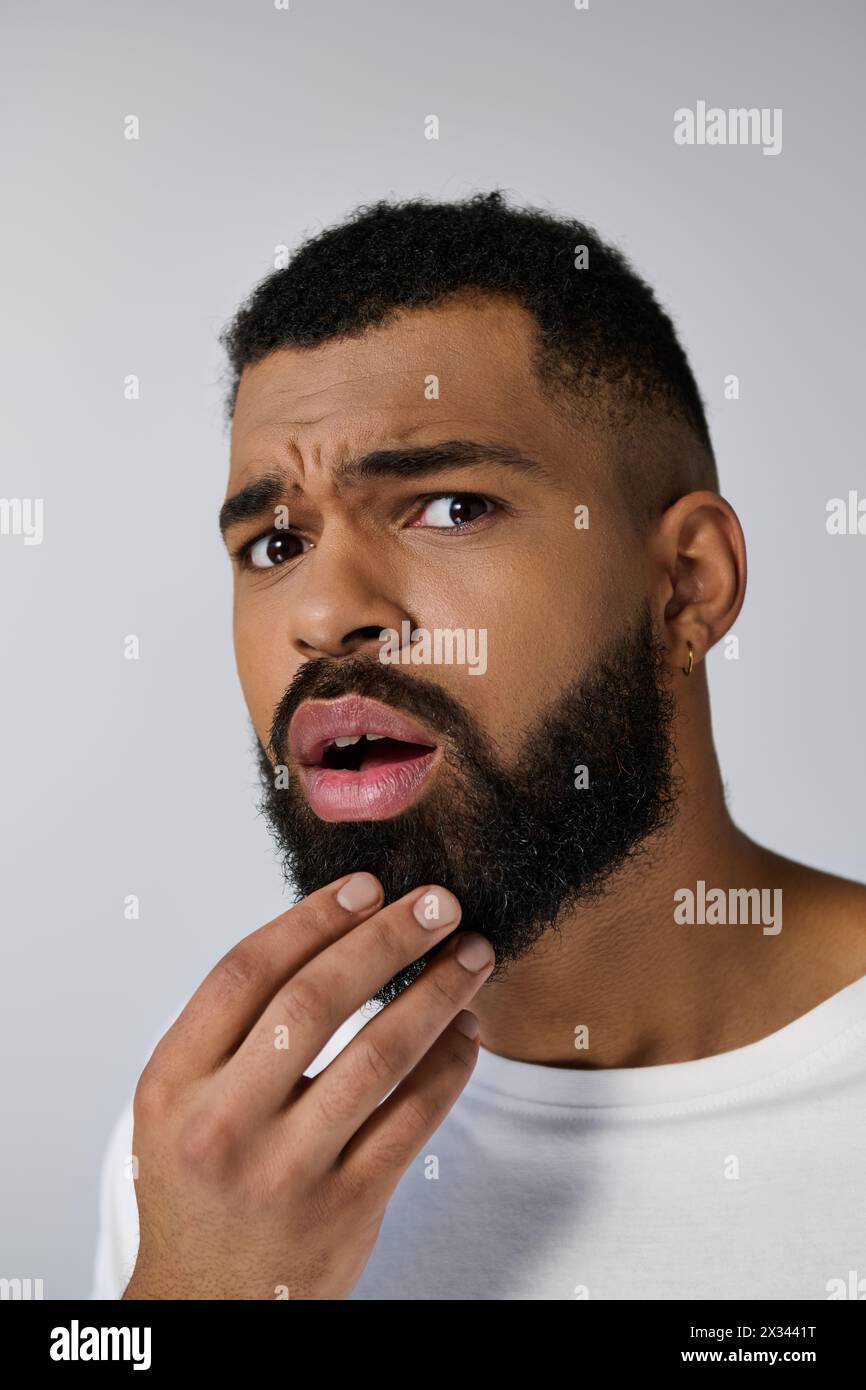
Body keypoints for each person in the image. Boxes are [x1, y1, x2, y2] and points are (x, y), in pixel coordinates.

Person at [92, 191, 866, 1301]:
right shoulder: (204, 1157)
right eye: (274, 541)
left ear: (686, 586)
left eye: (447, 506)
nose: (323, 611)